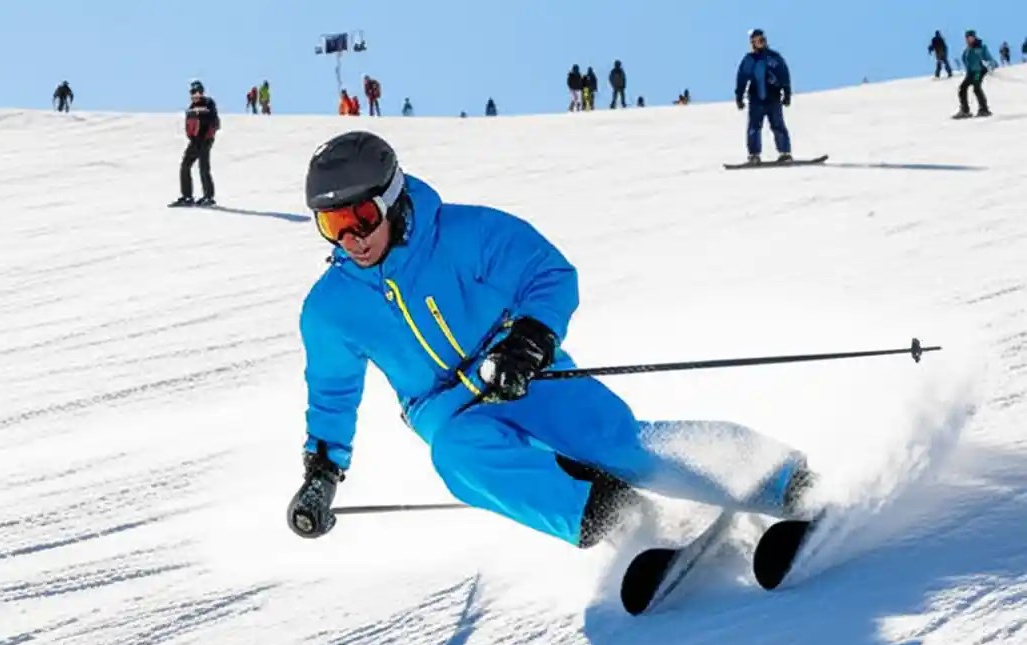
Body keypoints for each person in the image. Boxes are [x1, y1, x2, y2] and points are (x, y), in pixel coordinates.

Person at [287, 131, 816, 548]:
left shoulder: (464, 233)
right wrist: (323, 472)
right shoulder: (331, 308)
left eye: (360, 217)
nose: (351, 238)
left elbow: (549, 274)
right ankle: (623, 520)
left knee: (617, 445)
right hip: (447, 411)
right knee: (457, 457)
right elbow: (332, 394)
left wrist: (529, 341)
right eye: (332, 224)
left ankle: (781, 480)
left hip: (523, 370)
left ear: (393, 199)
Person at [735, 29, 792, 164]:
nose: (759, 43)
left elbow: (784, 75)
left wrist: (787, 93)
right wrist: (739, 97)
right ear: (752, 43)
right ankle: (754, 154)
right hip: (756, 99)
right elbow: (742, 78)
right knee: (754, 127)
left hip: (773, 98)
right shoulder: (750, 59)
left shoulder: (773, 57)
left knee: (777, 125)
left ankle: (784, 153)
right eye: (756, 41)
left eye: (761, 40)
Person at [171, 80, 219, 207]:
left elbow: (214, 120)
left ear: (202, 92)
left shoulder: (209, 103)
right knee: (185, 166)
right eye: (193, 92)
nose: (196, 94)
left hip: (206, 139)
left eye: (198, 92)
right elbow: (189, 125)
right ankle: (187, 196)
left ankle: (208, 196)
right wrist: (191, 136)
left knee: (204, 167)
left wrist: (203, 115)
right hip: (195, 141)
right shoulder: (191, 107)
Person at [955, 30, 995, 118]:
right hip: (970, 73)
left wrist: (991, 65)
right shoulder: (967, 50)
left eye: (970, 38)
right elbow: (966, 61)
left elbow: (989, 58)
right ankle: (965, 110)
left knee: (976, 87)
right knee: (962, 88)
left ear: (974, 37)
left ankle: (984, 109)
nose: (968, 40)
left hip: (978, 72)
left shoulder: (981, 47)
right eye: (967, 38)